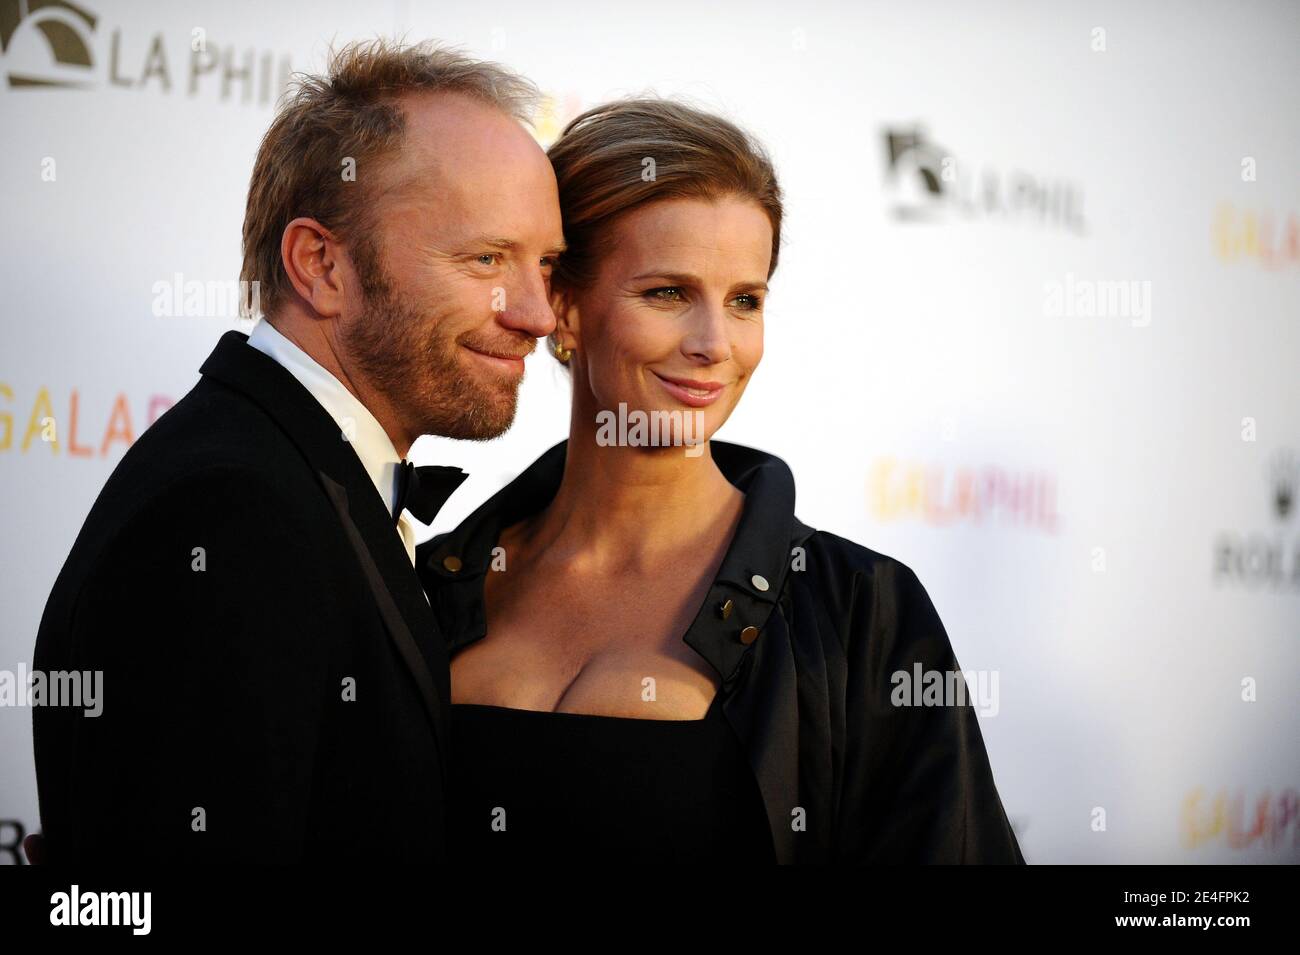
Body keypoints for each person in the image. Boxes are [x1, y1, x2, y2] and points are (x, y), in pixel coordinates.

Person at [418, 98, 1026, 864]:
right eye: (668, 293)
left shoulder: (859, 611)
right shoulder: (435, 583)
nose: (714, 344)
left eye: (745, 301)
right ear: (563, 308)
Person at [29, 38, 564, 863]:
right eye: (486, 258)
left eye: (546, 265)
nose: (536, 313)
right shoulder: (230, 511)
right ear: (320, 264)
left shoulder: (288, 473)